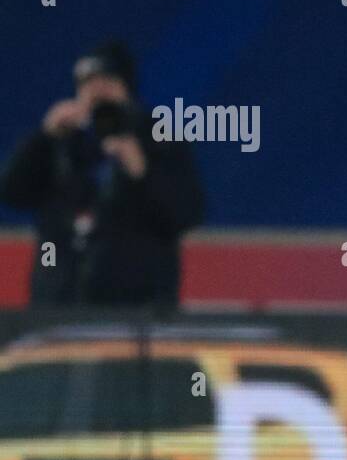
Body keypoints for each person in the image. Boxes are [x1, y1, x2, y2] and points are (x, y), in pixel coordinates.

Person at [0, 39, 203, 309]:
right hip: (59, 306)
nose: (97, 91)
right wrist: (43, 139)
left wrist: (141, 171)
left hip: (136, 310)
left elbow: (187, 213)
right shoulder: (61, 141)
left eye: (107, 81)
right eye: (87, 84)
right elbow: (11, 193)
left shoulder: (159, 138)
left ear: (127, 89)